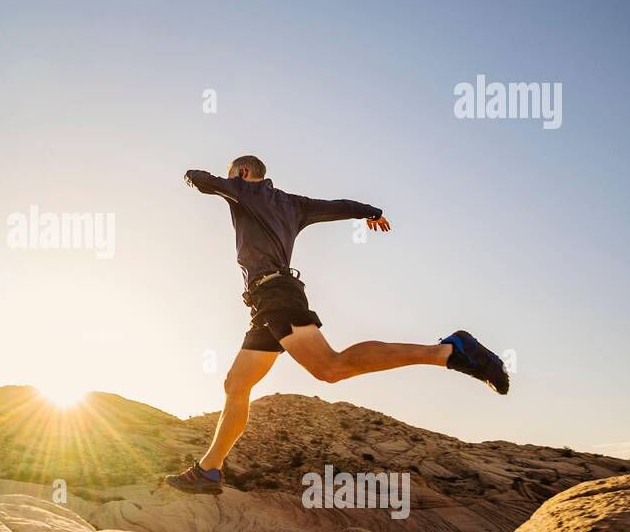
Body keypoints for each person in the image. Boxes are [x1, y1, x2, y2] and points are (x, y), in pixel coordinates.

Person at [165, 155, 508, 496]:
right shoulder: (294, 204)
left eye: (234, 177)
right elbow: (338, 206)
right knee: (236, 384)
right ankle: (209, 471)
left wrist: (204, 179)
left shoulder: (242, 190)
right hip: (266, 302)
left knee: (330, 368)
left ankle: (449, 351)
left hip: (276, 296)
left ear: (242, 173)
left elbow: (198, 178)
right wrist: (371, 212)